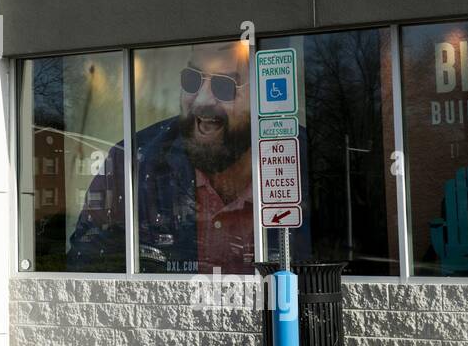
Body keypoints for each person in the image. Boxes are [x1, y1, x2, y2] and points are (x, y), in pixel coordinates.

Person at [69, 42, 308, 273]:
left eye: (224, 86)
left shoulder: (302, 160)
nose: (202, 101)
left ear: (261, 97)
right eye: (192, 80)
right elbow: (88, 265)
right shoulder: (134, 162)